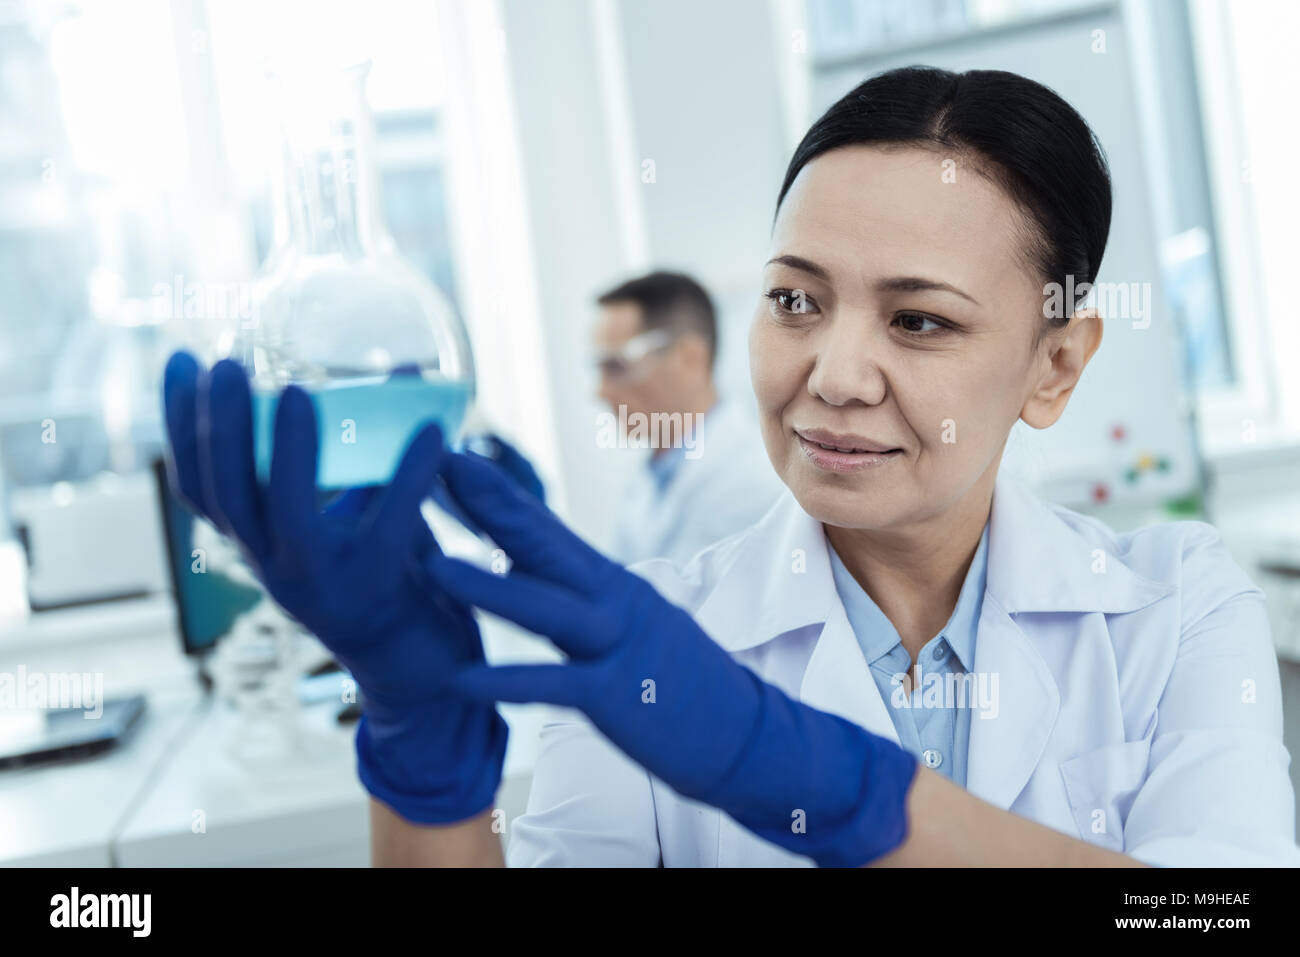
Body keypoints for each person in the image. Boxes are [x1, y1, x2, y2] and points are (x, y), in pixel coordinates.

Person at [162, 65, 1300, 867]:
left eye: (918, 322)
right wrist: (421, 755)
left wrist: (813, 777)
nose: (834, 373)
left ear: (1054, 366)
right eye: (795, 301)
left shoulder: (1178, 605)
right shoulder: (642, 640)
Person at [592, 271, 782, 565]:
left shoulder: (753, 480)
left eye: (617, 366)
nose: (601, 391)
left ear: (689, 358)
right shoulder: (651, 477)